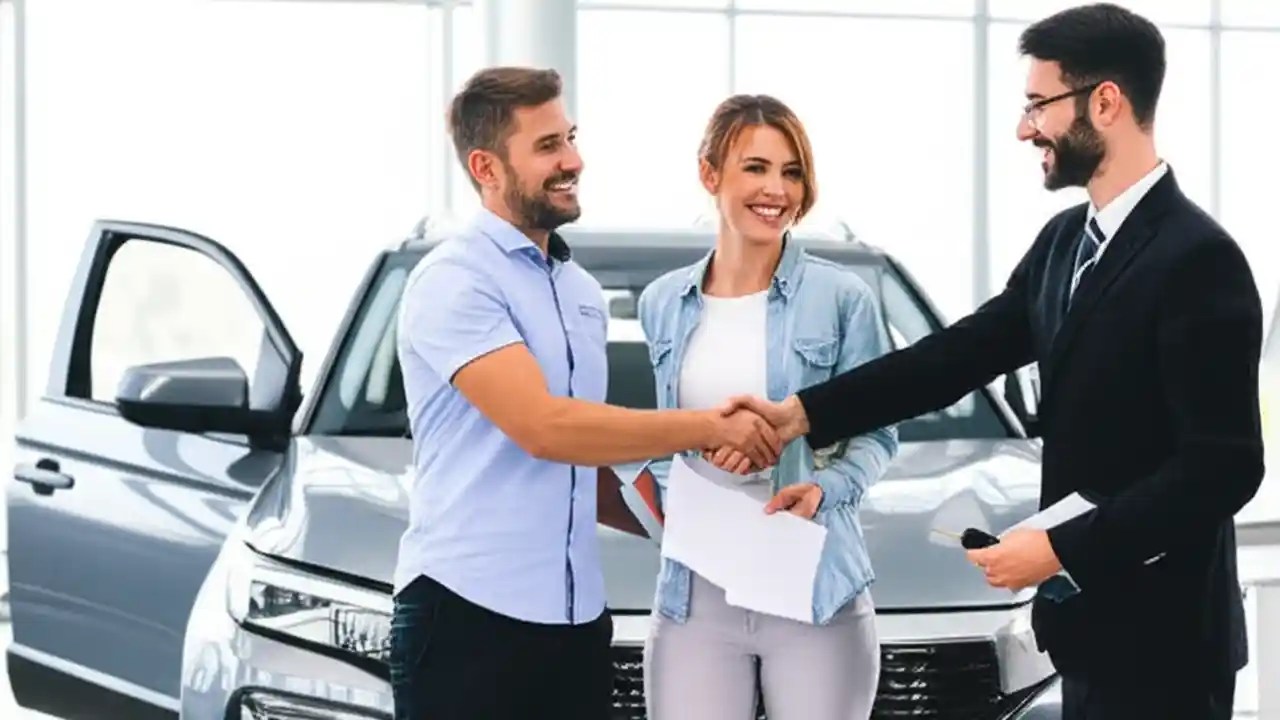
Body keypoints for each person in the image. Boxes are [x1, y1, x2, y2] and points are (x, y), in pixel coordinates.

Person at [726, 5, 1263, 719]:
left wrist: (1060, 551)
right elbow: (955, 358)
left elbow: (1223, 465)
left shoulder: (1200, 260)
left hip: (1165, 644)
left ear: (1105, 102)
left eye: (1038, 104)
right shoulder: (1065, 243)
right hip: (1088, 635)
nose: (1024, 128)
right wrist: (803, 414)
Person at [389, 66, 782, 720]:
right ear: (486, 167)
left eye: (569, 137)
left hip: (574, 626)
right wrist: (710, 427)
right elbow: (547, 429)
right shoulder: (455, 281)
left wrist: (690, 529)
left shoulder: (576, 291)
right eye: (548, 146)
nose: (574, 160)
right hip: (467, 620)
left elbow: (576, 468)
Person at [637, 94, 897, 720]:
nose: (775, 189)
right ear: (710, 174)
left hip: (811, 587)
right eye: (755, 168)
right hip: (696, 594)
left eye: (791, 171)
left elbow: (878, 436)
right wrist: (662, 492)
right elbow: (664, 441)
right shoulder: (662, 303)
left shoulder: (843, 298)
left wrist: (822, 489)